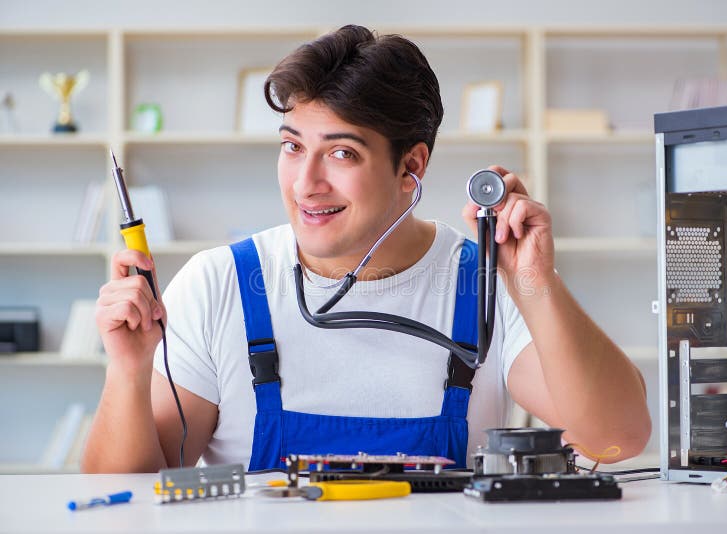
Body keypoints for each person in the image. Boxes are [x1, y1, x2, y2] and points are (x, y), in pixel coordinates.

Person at [82, 25, 650, 473]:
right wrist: (128, 372)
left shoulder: (480, 283)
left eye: (341, 153)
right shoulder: (220, 283)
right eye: (292, 146)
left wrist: (535, 285)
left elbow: (618, 440)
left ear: (412, 166)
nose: (306, 183)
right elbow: (126, 500)